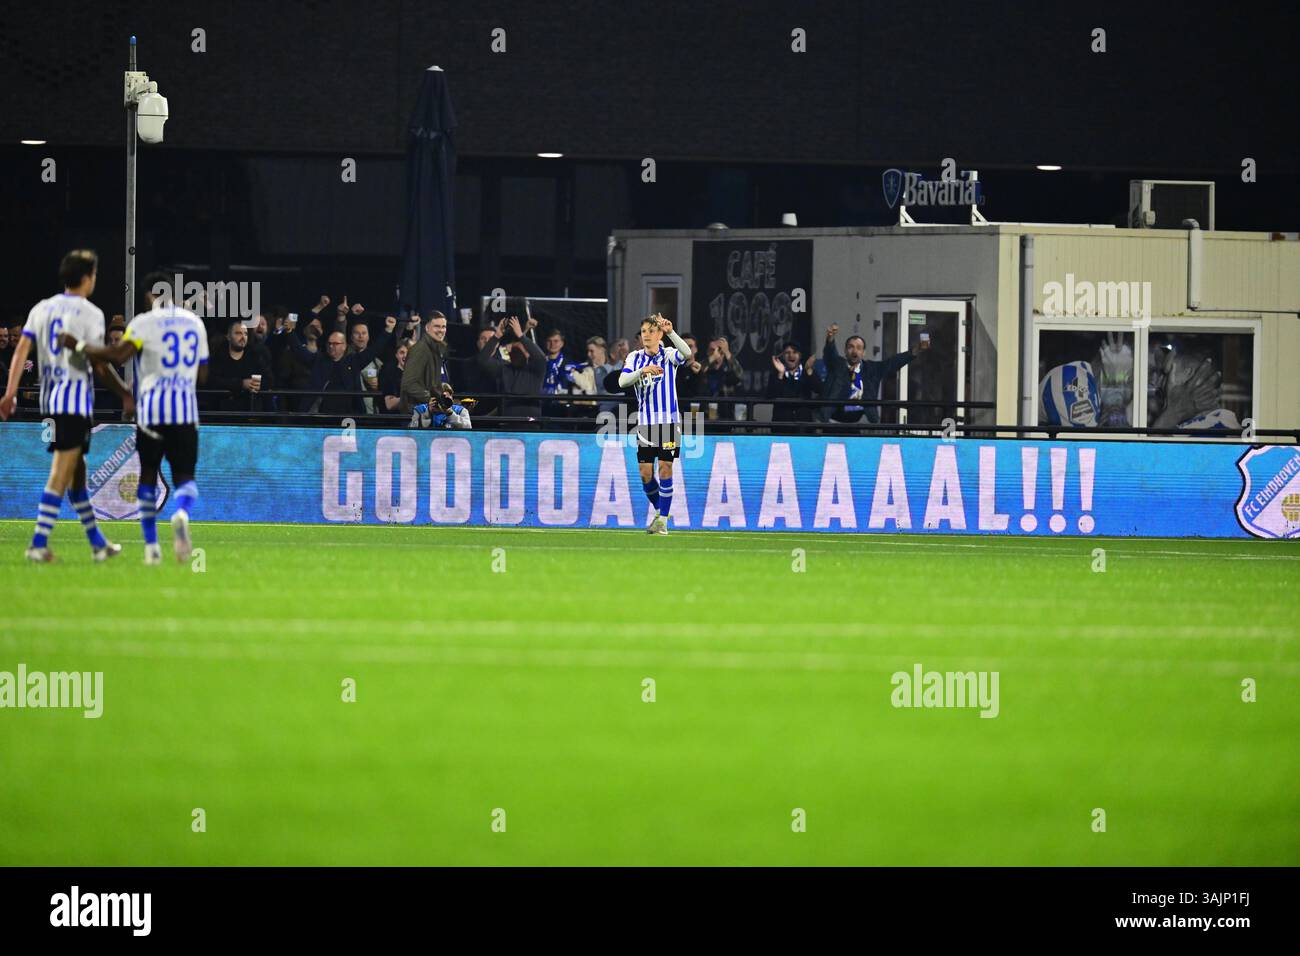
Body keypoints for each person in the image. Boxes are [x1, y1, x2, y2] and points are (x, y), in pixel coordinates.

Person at [61, 271, 207, 565]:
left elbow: (117, 355)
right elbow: (202, 376)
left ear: (148, 296)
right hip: (185, 411)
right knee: (184, 477)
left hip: (151, 410)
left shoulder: (143, 323)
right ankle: (181, 513)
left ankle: (152, 548)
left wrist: (79, 345)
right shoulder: (195, 323)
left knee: (148, 474)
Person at [0, 249, 131, 562]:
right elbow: (98, 364)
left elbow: (21, 351)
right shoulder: (91, 314)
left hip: (50, 404)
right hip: (73, 406)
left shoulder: (42, 309)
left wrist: (10, 392)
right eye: (95, 274)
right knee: (61, 471)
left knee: (77, 474)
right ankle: (38, 543)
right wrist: (125, 392)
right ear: (87, 278)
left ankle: (98, 543)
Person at [619, 313, 691, 535]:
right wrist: (643, 371)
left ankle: (662, 522)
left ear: (660, 334)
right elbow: (622, 381)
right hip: (645, 424)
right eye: (643, 332)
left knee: (665, 468)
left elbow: (687, 353)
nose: (647, 336)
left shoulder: (668, 355)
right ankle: (662, 512)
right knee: (645, 474)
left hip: (669, 422)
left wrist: (671, 332)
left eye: (652, 331)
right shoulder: (634, 358)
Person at [819, 323, 924, 424]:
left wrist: (915, 351)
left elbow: (893, 362)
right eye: (851, 347)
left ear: (864, 353)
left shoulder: (872, 369)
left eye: (859, 348)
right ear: (845, 351)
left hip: (857, 424)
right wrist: (830, 338)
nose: (854, 351)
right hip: (832, 423)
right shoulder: (837, 365)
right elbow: (830, 353)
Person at [477, 316, 548, 417]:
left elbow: (541, 358)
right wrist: (497, 336)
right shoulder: (503, 368)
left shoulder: (535, 370)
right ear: (509, 354)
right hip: (506, 423)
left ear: (528, 353)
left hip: (530, 423)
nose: (518, 353)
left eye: (521, 350)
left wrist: (521, 336)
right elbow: (482, 360)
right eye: (514, 351)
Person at [206, 320, 273, 414]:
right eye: (238, 333)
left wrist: (258, 385)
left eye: (245, 334)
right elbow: (211, 381)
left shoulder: (255, 356)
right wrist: (241, 384)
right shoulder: (218, 357)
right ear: (228, 336)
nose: (243, 337)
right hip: (222, 410)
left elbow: (269, 381)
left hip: (249, 410)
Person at [399, 311, 450, 415]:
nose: (441, 330)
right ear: (427, 328)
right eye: (436, 326)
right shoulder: (420, 350)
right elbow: (408, 384)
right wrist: (433, 399)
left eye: (443, 327)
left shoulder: (436, 349)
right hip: (415, 414)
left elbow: (432, 384)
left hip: (426, 412)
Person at [766, 342, 818, 422]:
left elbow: (819, 390)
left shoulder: (807, 372)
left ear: (800, 355)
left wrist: (809, 371)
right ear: (783, 356)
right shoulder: (776, 373)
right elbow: (770, 395)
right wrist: (780, 374)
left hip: (804, 425)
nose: (791, 355)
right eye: (787, 352)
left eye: (795, 352)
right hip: (781, 425)